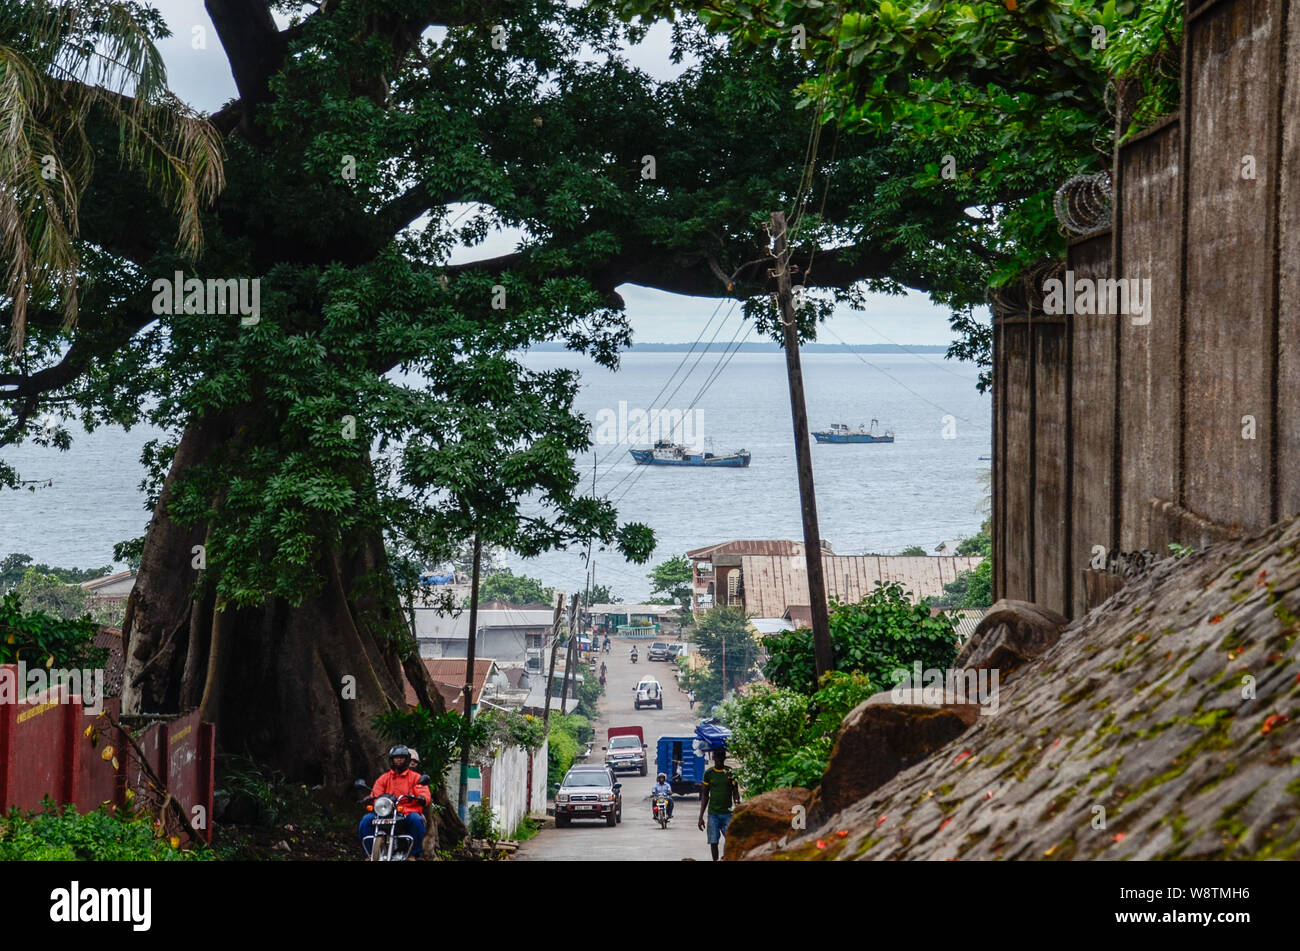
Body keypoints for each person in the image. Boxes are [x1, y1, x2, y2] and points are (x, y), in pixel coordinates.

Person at [359, 744, 431, 859]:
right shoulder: (384, 778)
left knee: (417, 821)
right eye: (396, 758)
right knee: (365, 821)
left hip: (407, 811)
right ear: (391, 760)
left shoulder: (416, 778)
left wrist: (422, 798)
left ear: (407, 759)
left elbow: (424, 793)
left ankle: (413, 854)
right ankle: (369, 854)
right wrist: (370, 799)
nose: (398, 760)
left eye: (401, 757)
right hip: (385, 812)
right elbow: (375, 793)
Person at [697, 748, 740, 861]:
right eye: (717, 758)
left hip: (728, 813)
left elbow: (735, 792)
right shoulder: (709, 774)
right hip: (713, 814)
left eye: (721, 758)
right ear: (714, 758)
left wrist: (737, 805)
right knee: (713, 841)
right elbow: (705, 795)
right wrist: (701, 816)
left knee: (731, 840)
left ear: (724, 758)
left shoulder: (730, 773)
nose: (719, 760)